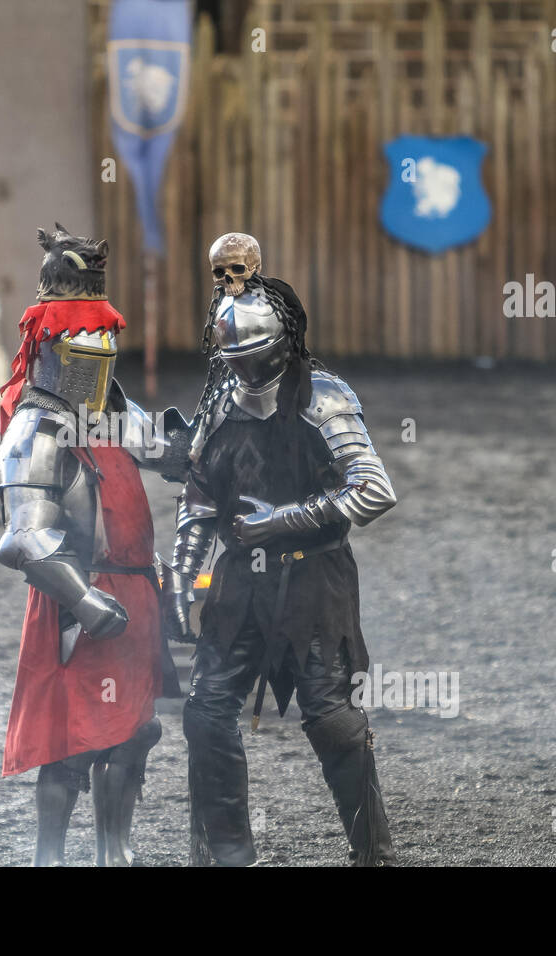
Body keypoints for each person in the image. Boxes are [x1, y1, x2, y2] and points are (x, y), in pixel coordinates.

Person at [162, 232, 399, 866]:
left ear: (282, 343)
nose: (241, 368)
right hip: (241, 585)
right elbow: (201, 498)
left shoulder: (325, 397)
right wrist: (184, 573)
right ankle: (227, 856)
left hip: (312, 582)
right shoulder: (219, 403)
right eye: (230, 357)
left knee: (331, 719)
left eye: (252, 355)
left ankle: (372, 855)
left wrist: (286, 521)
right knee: (206, 711)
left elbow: (375, 490)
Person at [0, 224, 189, 865]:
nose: (98, 350)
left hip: (134, 590)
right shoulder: (33, 428)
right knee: (71, 743)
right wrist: (85, 602)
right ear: (52, 344)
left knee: (135, 733)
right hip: (79, 602)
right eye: (83, 338)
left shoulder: (110, 411)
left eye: (104, 336)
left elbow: (172, 453)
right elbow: (23, 539)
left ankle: (115, 854)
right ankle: (49, 858)